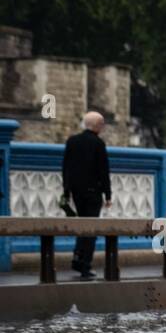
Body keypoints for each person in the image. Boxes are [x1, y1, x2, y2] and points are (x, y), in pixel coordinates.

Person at [61, 111, 113, 279]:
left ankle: (77, 257)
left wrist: (66, 191)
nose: (103, 127)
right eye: (102, 124)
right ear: (97, 126)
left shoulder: (72, 141)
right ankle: (85, 265)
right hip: (93, 192)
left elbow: (66, 168)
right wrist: (108, 195)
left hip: (76, 191)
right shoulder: (98, 144)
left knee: (82, 224)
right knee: (91, 228)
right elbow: (103, 171)